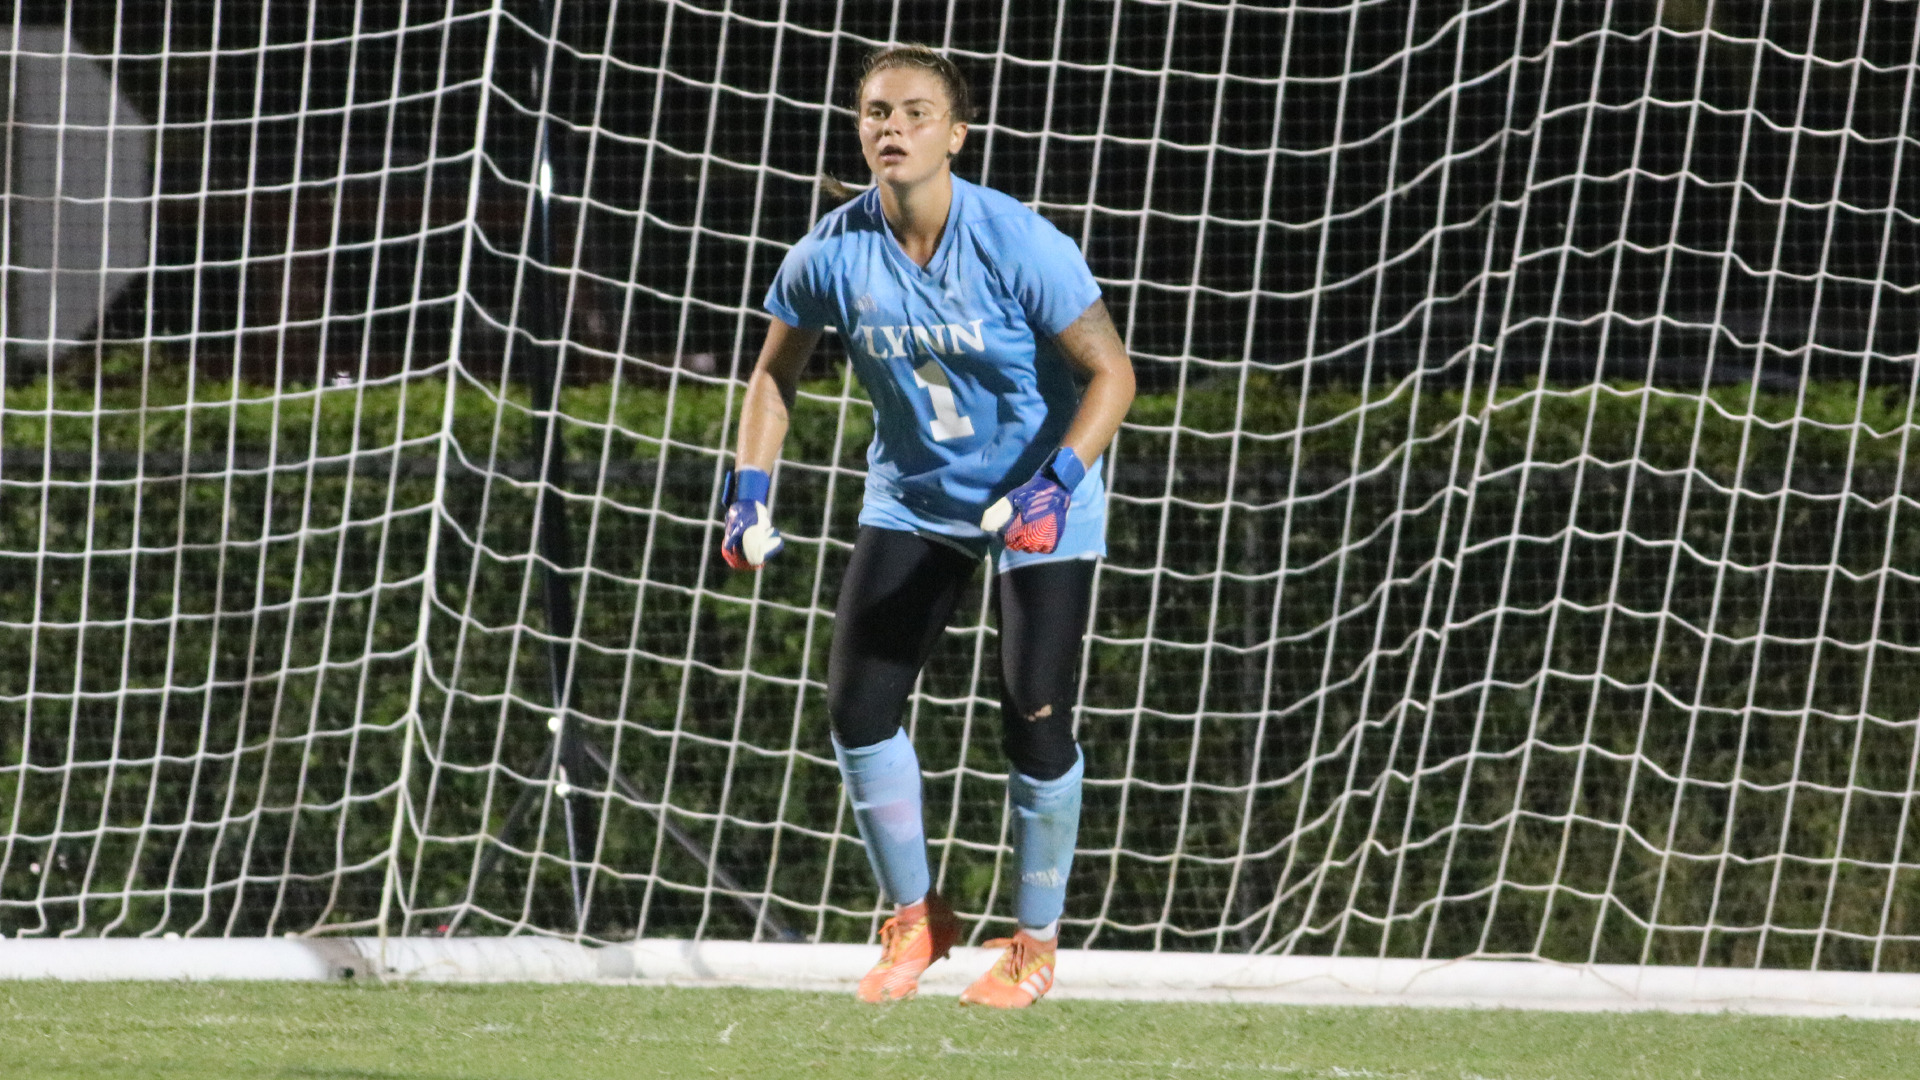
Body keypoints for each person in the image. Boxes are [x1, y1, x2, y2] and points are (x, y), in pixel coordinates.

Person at [720, 44, 1134, 1008]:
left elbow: (1113, 375)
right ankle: (917, 920)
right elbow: (773, 376)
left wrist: (1055, 481)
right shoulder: (830, 250)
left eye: (914, 112)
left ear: (956, 132)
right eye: (875, 111)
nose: (891, 126)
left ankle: (1034, 943)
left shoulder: (1019, 240)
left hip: (1044, 499)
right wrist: (748, 491)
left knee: (1034, 719)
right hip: (915, 499)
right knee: (858, 711)